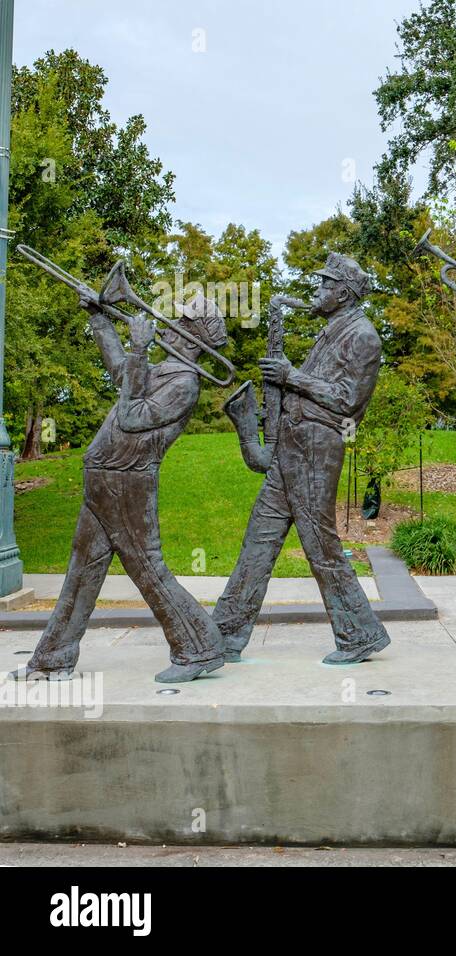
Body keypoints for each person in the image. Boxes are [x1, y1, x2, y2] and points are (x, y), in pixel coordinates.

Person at [13, 287, 228, 683]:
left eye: (180, 322)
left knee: (148, 568)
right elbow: (120, 373)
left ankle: (198, 647)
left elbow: (129, 416)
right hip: (105, 479)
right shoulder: (165, 370)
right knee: (81, 572)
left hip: (127, 484)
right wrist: (99, 320)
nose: (171, 325)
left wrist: (139, 350)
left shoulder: (184, 384)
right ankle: (51, 659)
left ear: (193, 336)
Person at [213, 254, 389, 665]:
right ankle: (223, 636)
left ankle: (359, 632)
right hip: (292, 448)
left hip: (315, 448)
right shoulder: (331, 332)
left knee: (320, 544)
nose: (317, 291)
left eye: (324, 285)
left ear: (343, 292)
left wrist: (290, 377)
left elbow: (348, 401)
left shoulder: (363, 335)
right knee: (258, 542)